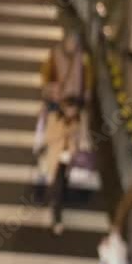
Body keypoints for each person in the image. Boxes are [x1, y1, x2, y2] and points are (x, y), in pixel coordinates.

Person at [34, 96, 86, 236]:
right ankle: (57, 219)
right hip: (55, 158)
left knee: (62, 187)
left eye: (74, 109)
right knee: (57, 188)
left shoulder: (77, 122)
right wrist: (66, 132)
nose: (71, 111)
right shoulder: (54, 118)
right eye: (69, 108)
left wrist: (74, 143)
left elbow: (79, 142)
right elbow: (48, 137)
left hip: (68, 160)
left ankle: (55, 201)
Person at [40, 30, 93, 112]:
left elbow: (88, 74)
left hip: (76, 97)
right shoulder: (55, 53)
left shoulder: (82, 56)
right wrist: (47, 87)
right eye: (70, 42)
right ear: (65, 42)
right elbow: (46, 71)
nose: (71, 45)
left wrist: (87, 89)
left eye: (74, 42)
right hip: (60, 98)